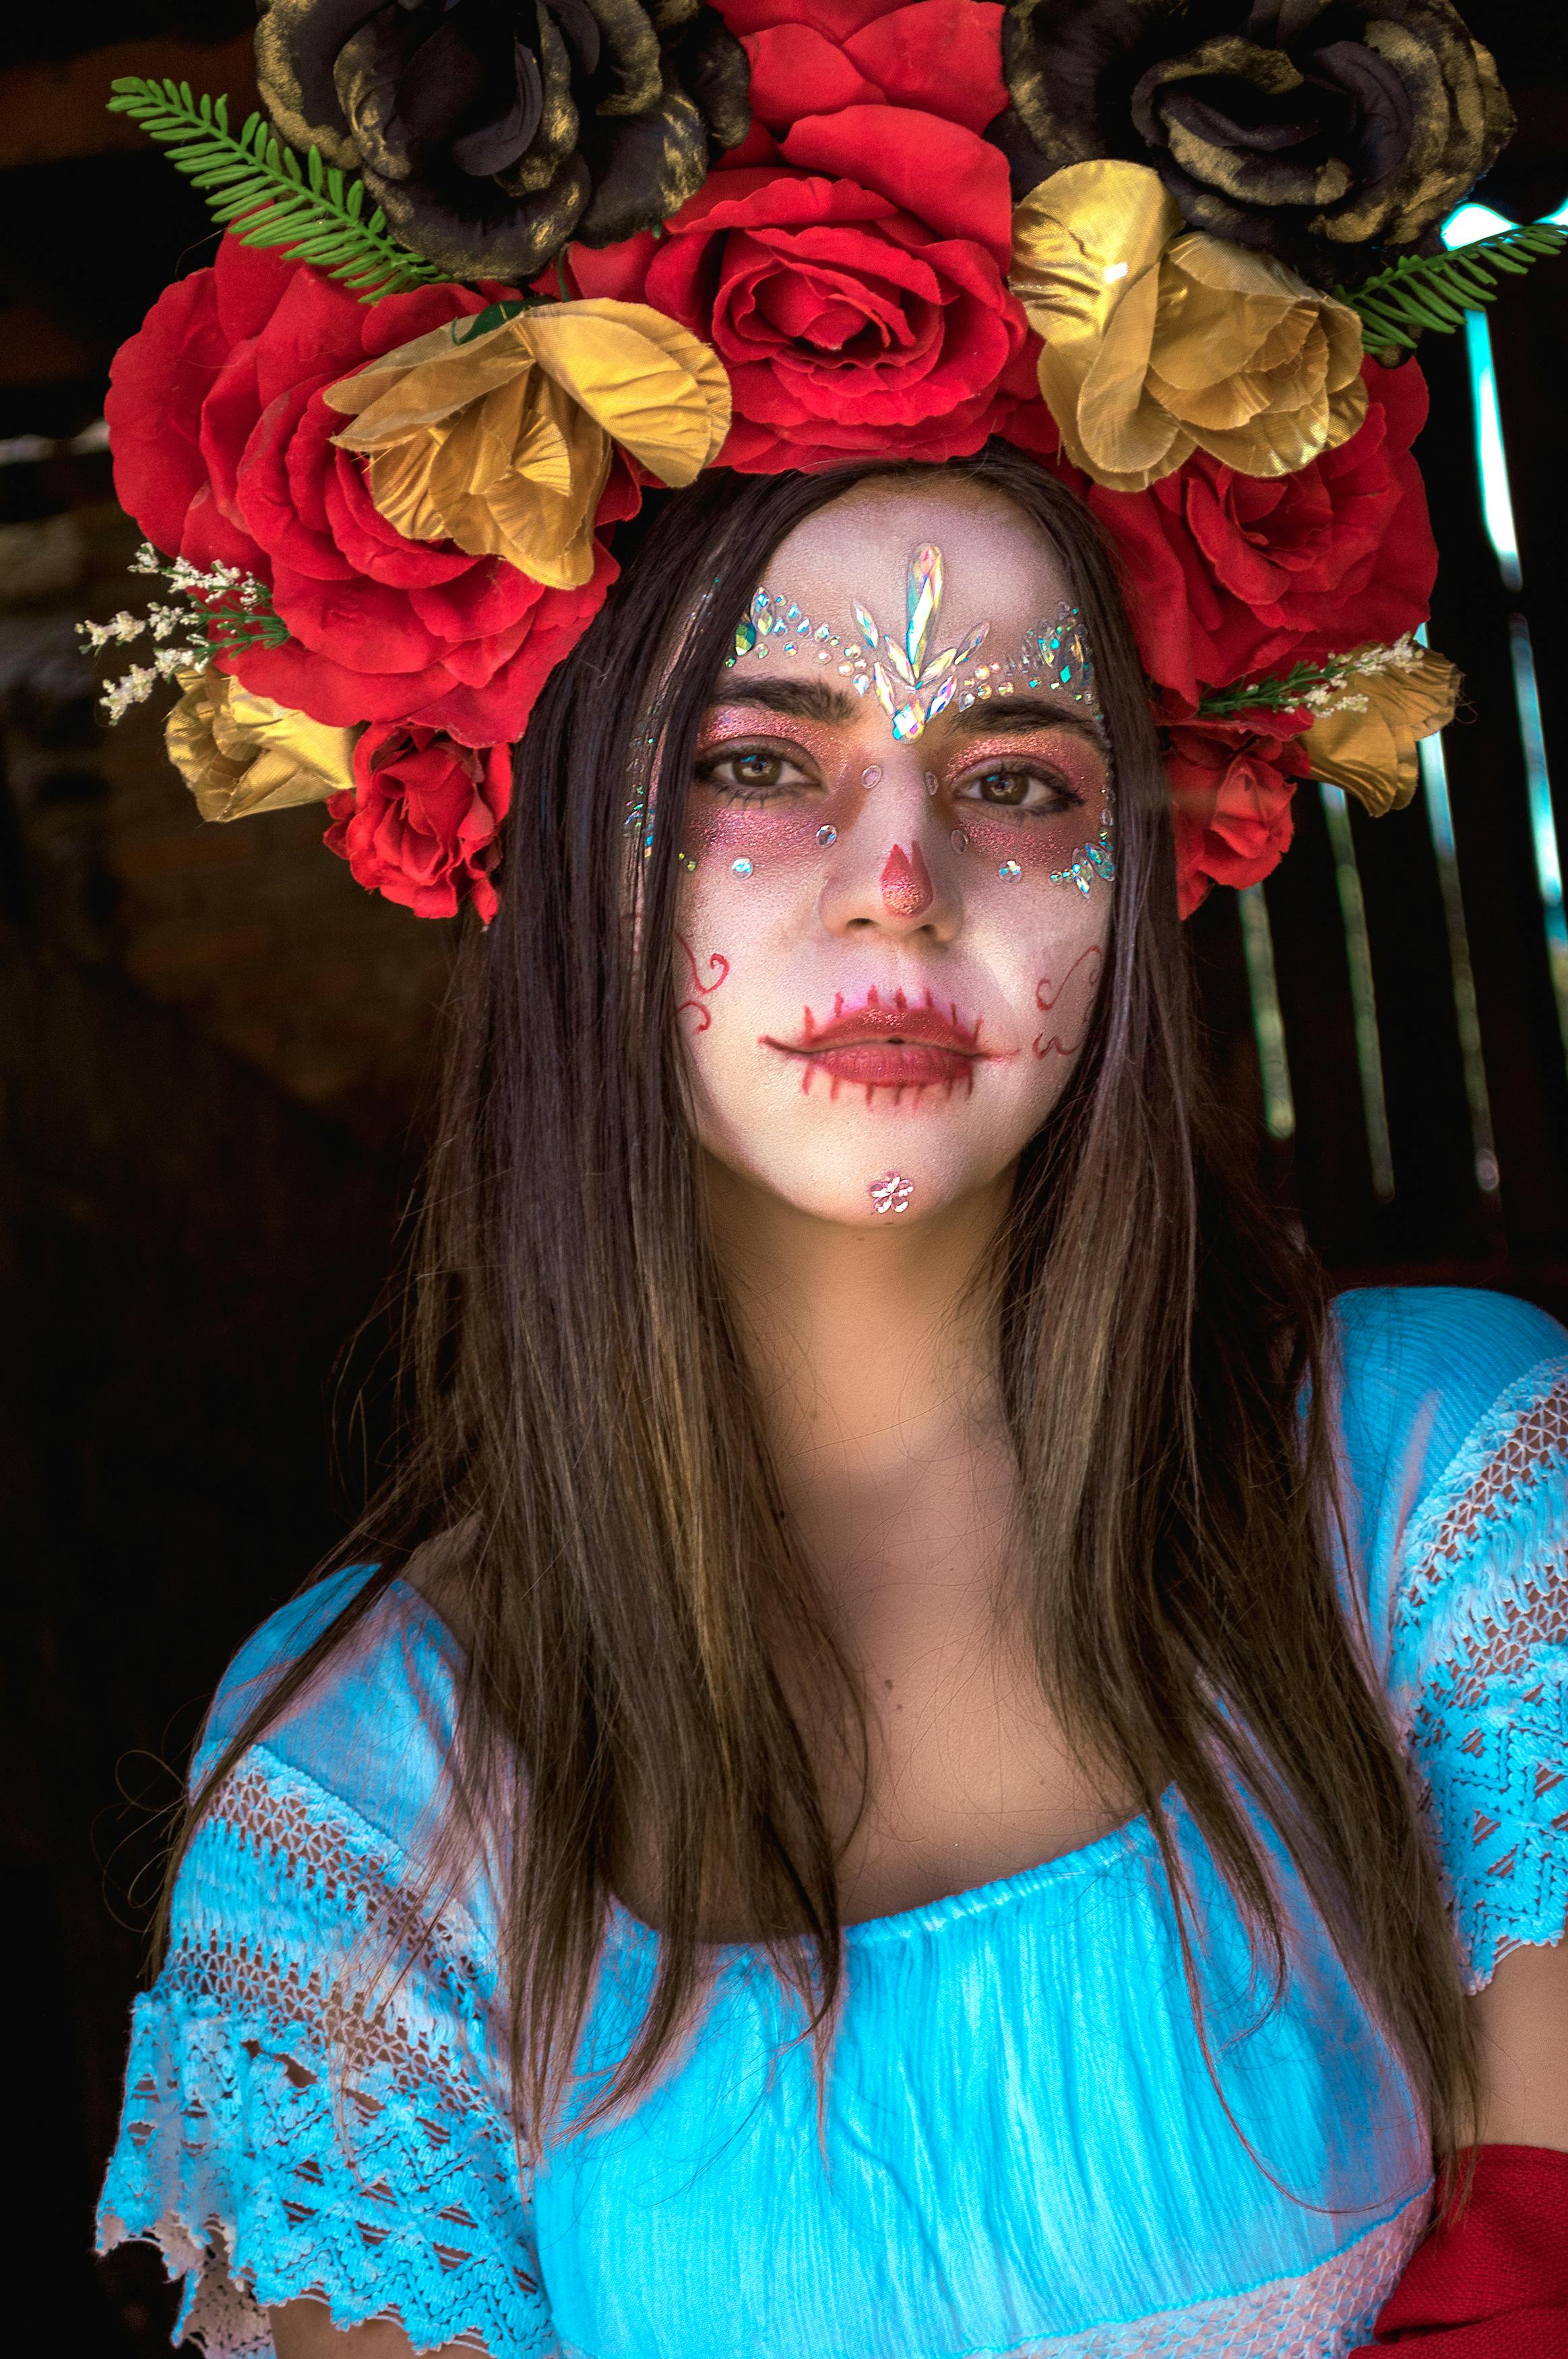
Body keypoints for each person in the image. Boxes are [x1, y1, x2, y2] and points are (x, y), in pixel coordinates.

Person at [88, 4, 1566, 2353]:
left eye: (1017, 778)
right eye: (763, 760)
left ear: (1140, 862)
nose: (901, 884)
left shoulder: (1449, 1499)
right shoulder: (364, 1793)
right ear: (573, 861)